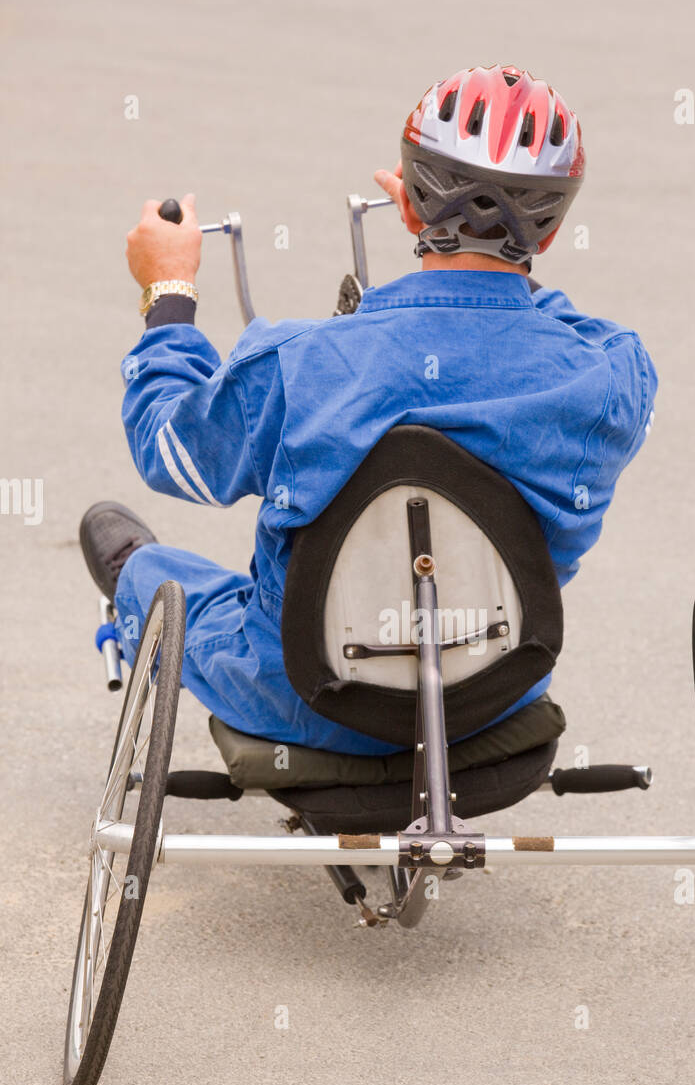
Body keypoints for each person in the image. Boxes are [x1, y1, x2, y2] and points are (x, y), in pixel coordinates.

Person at [81, 63, 657, 753]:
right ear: (553, 233)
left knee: (151, 574)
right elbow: (552, 326)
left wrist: (167, 288)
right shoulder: (611, 377)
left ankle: (142, 582)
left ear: (410, 204)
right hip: (492, 698)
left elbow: (168, 448)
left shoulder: (301, 364)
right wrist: (486, 258)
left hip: (306, 698)